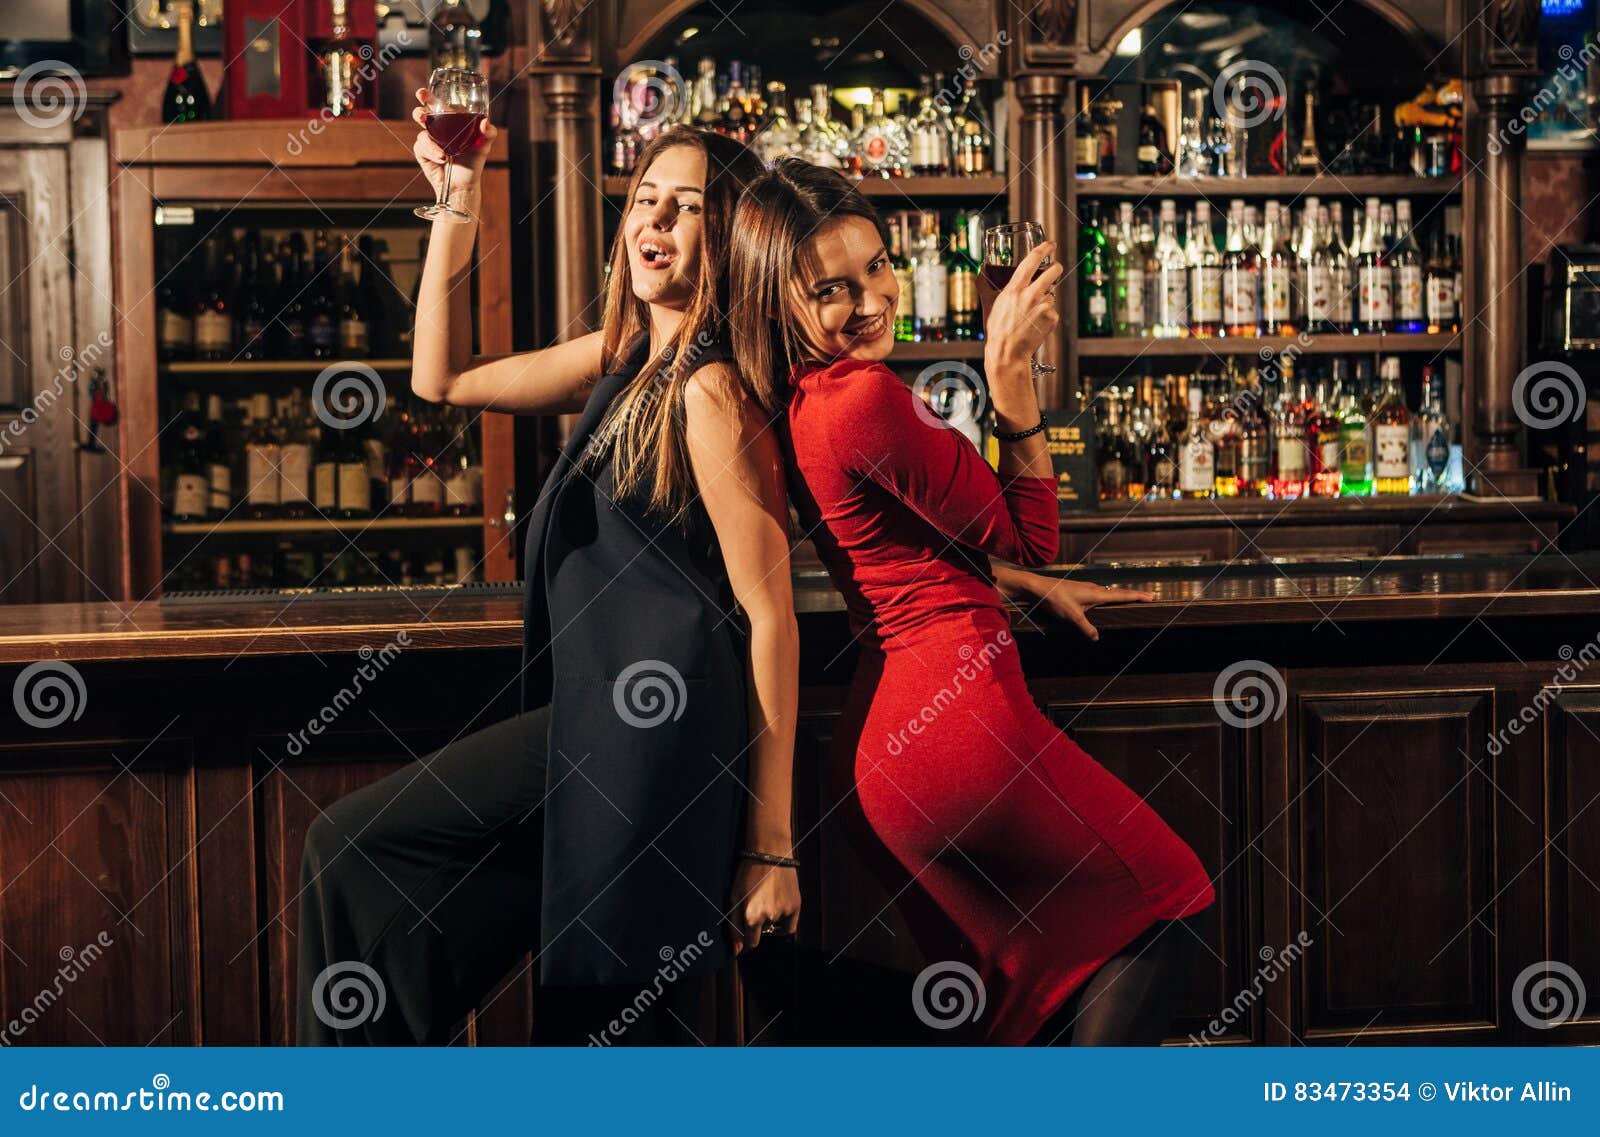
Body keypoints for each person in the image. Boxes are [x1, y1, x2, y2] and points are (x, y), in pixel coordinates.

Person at [295, 112, 800, 1044]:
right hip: (590, 721)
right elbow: (438, 381)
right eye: (645, 199)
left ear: (726, 236)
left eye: (688, 208)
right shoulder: (624, 357)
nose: (656, 220)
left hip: (661, 737)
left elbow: (772, 618)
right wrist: (454, 205)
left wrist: (772, 845)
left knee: (607, 1015)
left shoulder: (708, 389)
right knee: (358, 854)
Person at [727, 159, 1214, 1046]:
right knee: (1169, 897)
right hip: (962, 733)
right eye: (831, 289)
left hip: (886, 760)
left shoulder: (797, 401)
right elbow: (1029, 532)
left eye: (877, 265)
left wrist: (1022, 584)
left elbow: (907, 548)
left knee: (1026, 1002)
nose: (871, 299)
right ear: (776, 301)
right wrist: (1012, 371)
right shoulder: (865, 399)